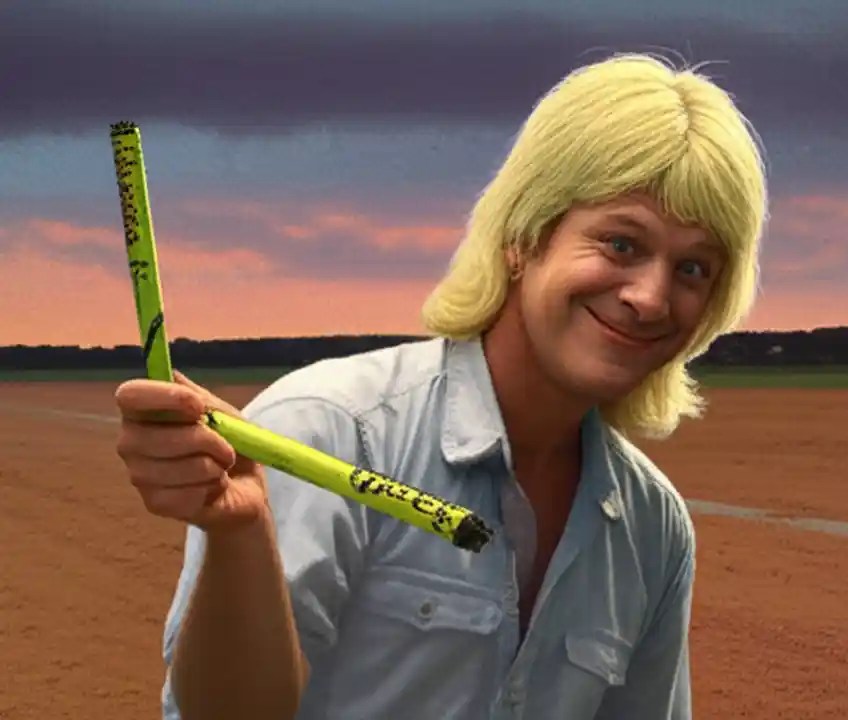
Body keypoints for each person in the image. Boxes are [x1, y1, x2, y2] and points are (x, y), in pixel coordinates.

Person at [113, 52, 767, 719]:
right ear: (523, 236)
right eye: (622, 245)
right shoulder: (327, 430)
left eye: (693, 269)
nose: (652, 298)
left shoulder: (654, 527)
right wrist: (242, 532)